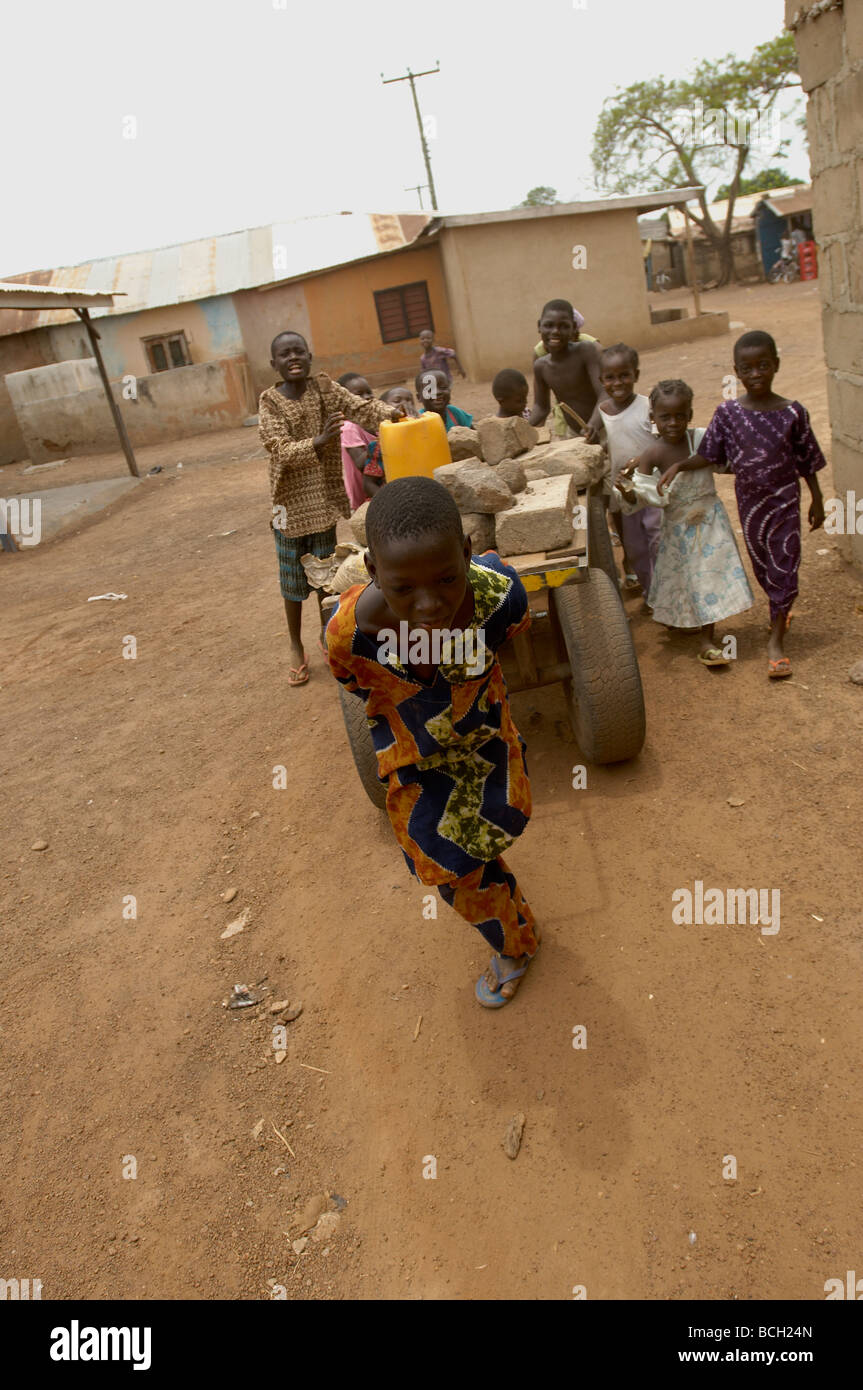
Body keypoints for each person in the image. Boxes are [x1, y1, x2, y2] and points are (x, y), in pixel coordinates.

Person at [325, 476, 540, 1008]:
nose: (429, 605)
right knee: (443, 859)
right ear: (373, 571)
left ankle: (505, 910)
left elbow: (511, 631)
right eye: (403, 589)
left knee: (490, 833)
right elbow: (353, 682)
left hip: (486, 736)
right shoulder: (350, 634)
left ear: (467, 554)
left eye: (447, 579)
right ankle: (516, 941)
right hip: (414, 759)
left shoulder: (499, 594)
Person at [657, 332, 825, 679]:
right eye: (747, 368)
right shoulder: (729, 413)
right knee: (764, 568)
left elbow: (806, 460)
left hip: (785, 503)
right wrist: (678, 465)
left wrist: (818, 499)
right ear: (737, 371)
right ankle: (779, 609)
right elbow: (709, 455)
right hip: (751, 507)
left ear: (775, 365)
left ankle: (776, 643)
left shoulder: (793, 412)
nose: (756, 373)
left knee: (785, 565)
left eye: (764, 365)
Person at [259, 331, 402, 687]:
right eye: (284, 354)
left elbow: (361, 407)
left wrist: (391, 412)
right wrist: (318, 441)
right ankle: (296, 645)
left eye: (298, 352)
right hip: (289, 507)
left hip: (322, 501)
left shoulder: (324, 389)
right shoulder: (270, 402)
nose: (293, 358)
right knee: (292, 585)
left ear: (309, 356)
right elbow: (276, 447)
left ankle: (329, 638)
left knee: (326, 578)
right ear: (273, 364)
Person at [615, 379, 753, 666]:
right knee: (683, 579)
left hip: (710, 521)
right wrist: (629, 490)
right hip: (678, 528)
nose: (673, 423)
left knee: (708, 577)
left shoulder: (700, 438)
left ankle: (707, 639)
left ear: (690, 414)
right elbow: (646, 496)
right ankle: (680, 620)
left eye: (680, 415)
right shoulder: (652, 453)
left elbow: (720, 460)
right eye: (665, 417)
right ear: (653, 419)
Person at [597, 343, 660, 594]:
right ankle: (650, 593)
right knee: (635, 548)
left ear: (636, 375)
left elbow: (662, 443)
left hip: (653, 489)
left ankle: (667, 594)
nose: (618, 383)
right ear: (601, 380)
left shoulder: (649, 407)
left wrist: (639, 461)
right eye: (610, 377)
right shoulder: (602, 412)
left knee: (658, 540)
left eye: (624, 375)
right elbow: (604, 446)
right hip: (624, 493)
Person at [528, 299, 604, 441]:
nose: (555, 331)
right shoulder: (541, 366)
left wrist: (594, 424)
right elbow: (541, 407)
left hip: (603, 427)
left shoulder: (586, 351)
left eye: (563, 326)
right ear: (539, 326)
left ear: (574, 327)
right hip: (574, 434)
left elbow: (604, 393)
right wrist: (524, 428)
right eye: (549, 325)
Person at [360, 386, 419, 495]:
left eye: (409, 401)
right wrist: (388, 501)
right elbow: (368, 484)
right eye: (397, 401)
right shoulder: (379, 446)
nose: (405, 404)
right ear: (383, 409)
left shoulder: (424, 436)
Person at [337, 372, 376, 511]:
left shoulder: (374, 423)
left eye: (369, 392)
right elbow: (361, 463)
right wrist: (382, 443)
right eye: (359, 394)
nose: (366, 397)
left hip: (376, 493)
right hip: (361, 500)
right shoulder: (349, 428)